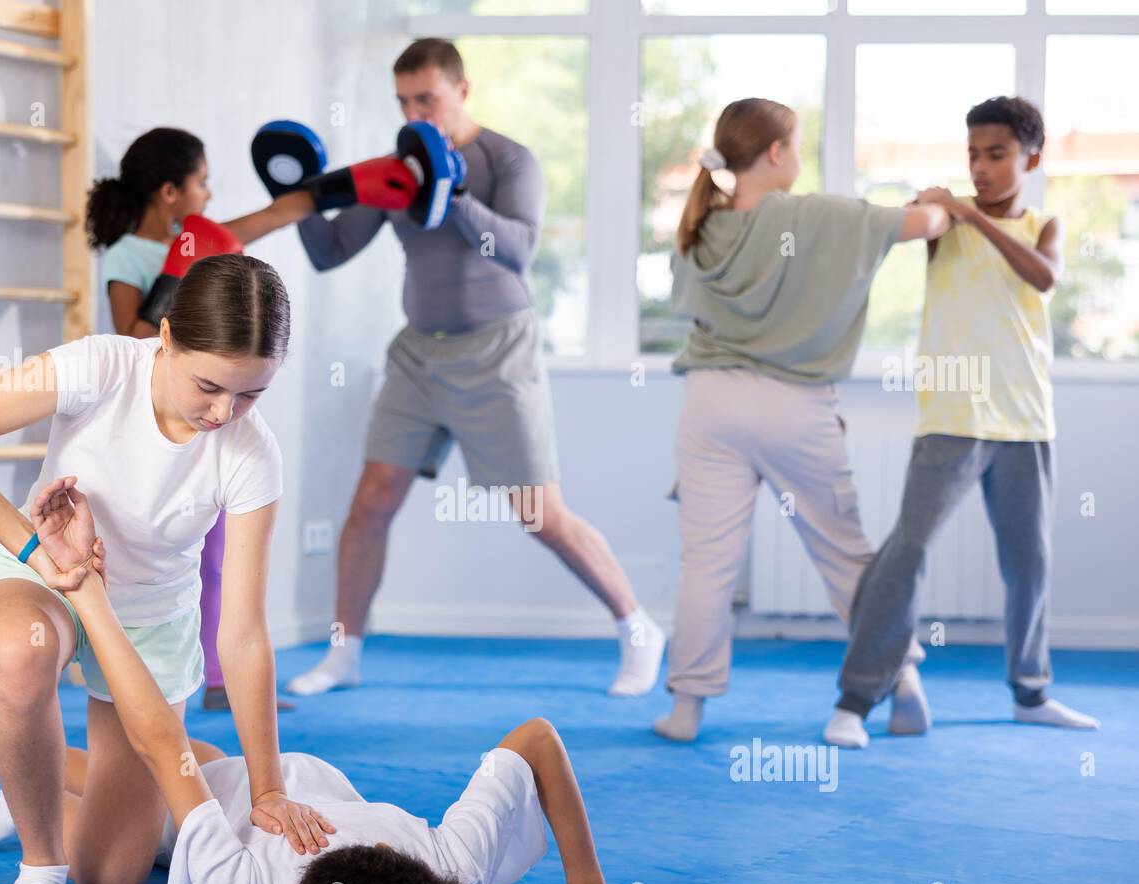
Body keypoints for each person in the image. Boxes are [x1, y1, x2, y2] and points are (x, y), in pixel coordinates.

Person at [0, 481, 650, 884]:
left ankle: (23, 784)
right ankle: (22, 768)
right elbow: (536, 738)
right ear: (391, 852)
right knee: (181, 763)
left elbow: (161, 742)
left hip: (199, 802)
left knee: (109, 872)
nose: (325, 848)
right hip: (261, 777)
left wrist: (90, 596)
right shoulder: (453, 864)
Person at [0, 255, 332, 884]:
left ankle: (18, 777)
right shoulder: (98, 366)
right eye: (211, 385)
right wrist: (36, 549)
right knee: (21, 654)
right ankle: (38, 864)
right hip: (45, 571)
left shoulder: (252, 454)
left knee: (109, 880)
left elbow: (242, 633)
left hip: (152, 621)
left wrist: (268, 786)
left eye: (251, 395)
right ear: (165, 339)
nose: (226, 412)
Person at [285, 38, 665, 701]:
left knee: (539, 512)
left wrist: (451, 192)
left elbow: (516, 250)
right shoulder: (396, 166)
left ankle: (637, 629)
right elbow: (332, 250)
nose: (414, 113)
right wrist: (298, 200)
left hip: (497, 349)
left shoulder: (508, 159)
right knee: (370, 501)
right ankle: (345, 651)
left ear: (464, 90)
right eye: (403, 101)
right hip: (418, 353)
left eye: (426, 98)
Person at [658, 97, 952, 742]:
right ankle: (902, 683)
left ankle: (686, 710)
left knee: (705, 564)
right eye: (794, 145)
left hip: (710, 403)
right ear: (775, 153)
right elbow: (925, 223)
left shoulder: (702, 226)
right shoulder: (818, 215)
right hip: (796, 405)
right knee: (846, 556)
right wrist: (937, 200)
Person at [825, 96, 1100, 749]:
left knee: (1029, 561)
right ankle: (855, 699)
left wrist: (974, 214)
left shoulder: (1044, 225)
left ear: (1031, 158)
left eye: (995, 154)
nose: (979, 167)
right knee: (908, 551)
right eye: (972, 155)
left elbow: (1043, 277)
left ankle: (1031, 692)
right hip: (952, 416)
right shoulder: (947, 224)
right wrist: (936, 207)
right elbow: (905, 227)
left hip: (1026, 420)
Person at [90, 127, 315, 714]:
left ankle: (218, 675)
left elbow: (250, 229)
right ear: (170, 191)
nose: (209, 194)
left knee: (216, 554)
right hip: (153, 427)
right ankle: (123, 670)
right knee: (153, 555)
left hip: (206, 434)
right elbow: (133, 339)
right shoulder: (127, 255)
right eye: (202, 181)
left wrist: (307, 201)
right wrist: (169, 289)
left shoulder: (198, 240)